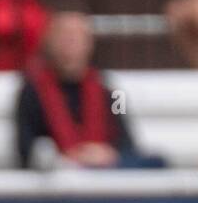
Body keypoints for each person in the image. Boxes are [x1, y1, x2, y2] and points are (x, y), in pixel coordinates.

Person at [16, 12, 165, 169]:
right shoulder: (31, 92)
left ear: (89, 43)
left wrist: (105, 154)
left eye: (76, 36)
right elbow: (27, 149)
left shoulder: (112, 92)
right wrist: (71, 158)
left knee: (157, 162)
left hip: (106, 171)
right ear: (49, 42)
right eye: (64, 36)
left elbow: (127, 142)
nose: (70, 42)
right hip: (61, 174)